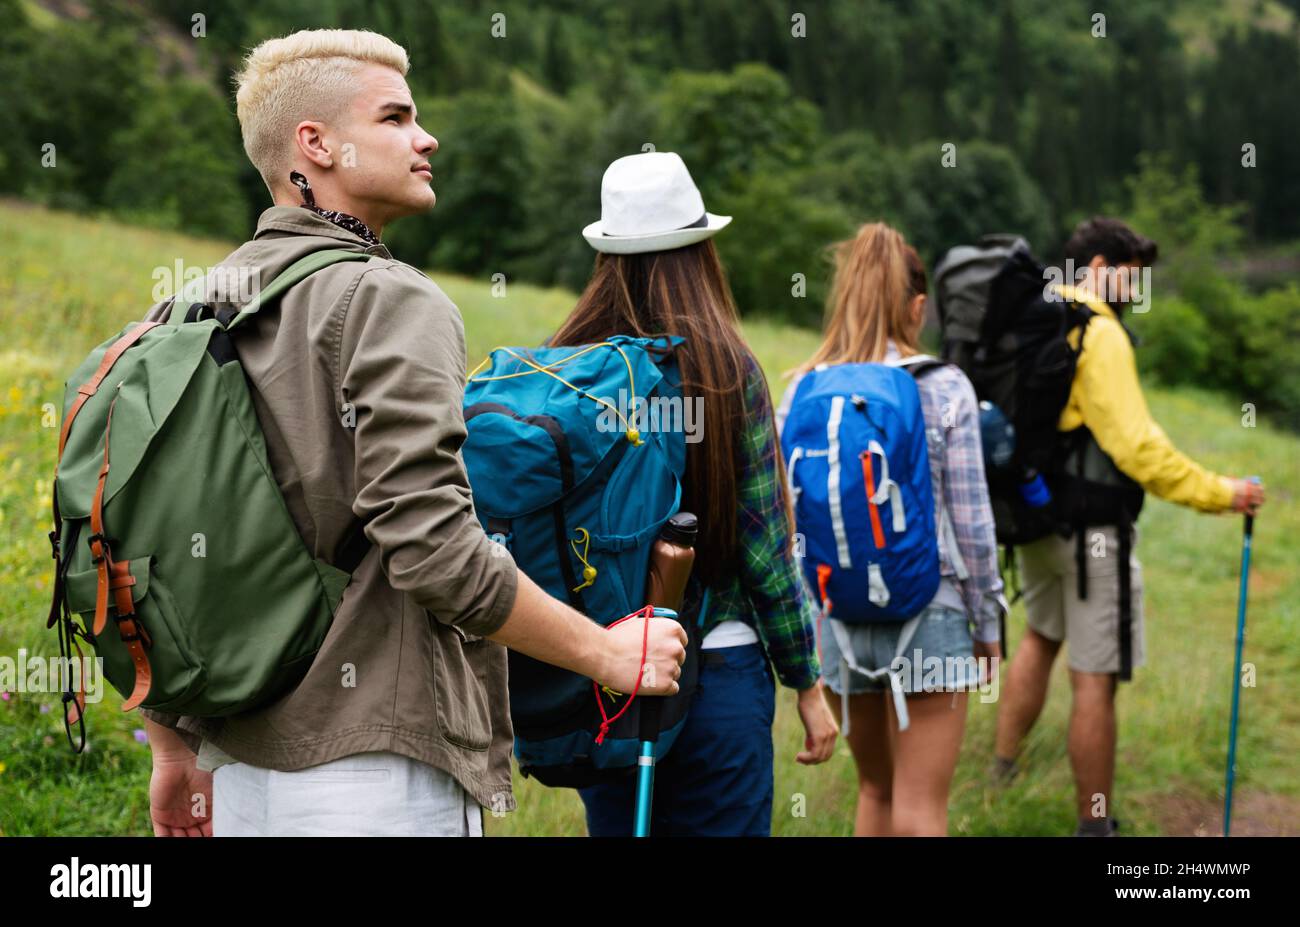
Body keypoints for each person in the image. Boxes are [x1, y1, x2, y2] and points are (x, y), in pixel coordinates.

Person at [137, 28, 687, 838]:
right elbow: (434, 547)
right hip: (376, 772)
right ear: (316, 145)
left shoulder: (186, 307)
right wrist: (608, 655)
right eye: (395, 118)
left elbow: (153, 539)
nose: (426, 138)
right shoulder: (389, 300)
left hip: (236, 766)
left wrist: (172, 748)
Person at [548, 151, 839, 836]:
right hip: (721, 671)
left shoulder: (568, 363)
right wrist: (808, 683)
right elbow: (765, 551)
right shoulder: (726, 366)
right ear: (701, 251)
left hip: (609, 673)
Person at [992, 217, 1266, 837]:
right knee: (1095, 678)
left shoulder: (1047, 316)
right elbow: (1138, 449)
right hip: (1092, 534)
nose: (1135, 292)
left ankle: (1002, 772)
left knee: (1039, 638)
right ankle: (1096, 829)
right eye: (1131, 278)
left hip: (1036, 517)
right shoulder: (1100, 332)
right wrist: (1221, 493)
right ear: (1098, 268)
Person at [778, 222, 1006, 837]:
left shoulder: (801, 389)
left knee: (875, 792)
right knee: (922, 808)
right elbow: (974, 525)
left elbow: (789, 523)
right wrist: (988, 624)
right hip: (931, 610)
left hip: (838, 620)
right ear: (918, 306)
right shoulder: (943, 385)